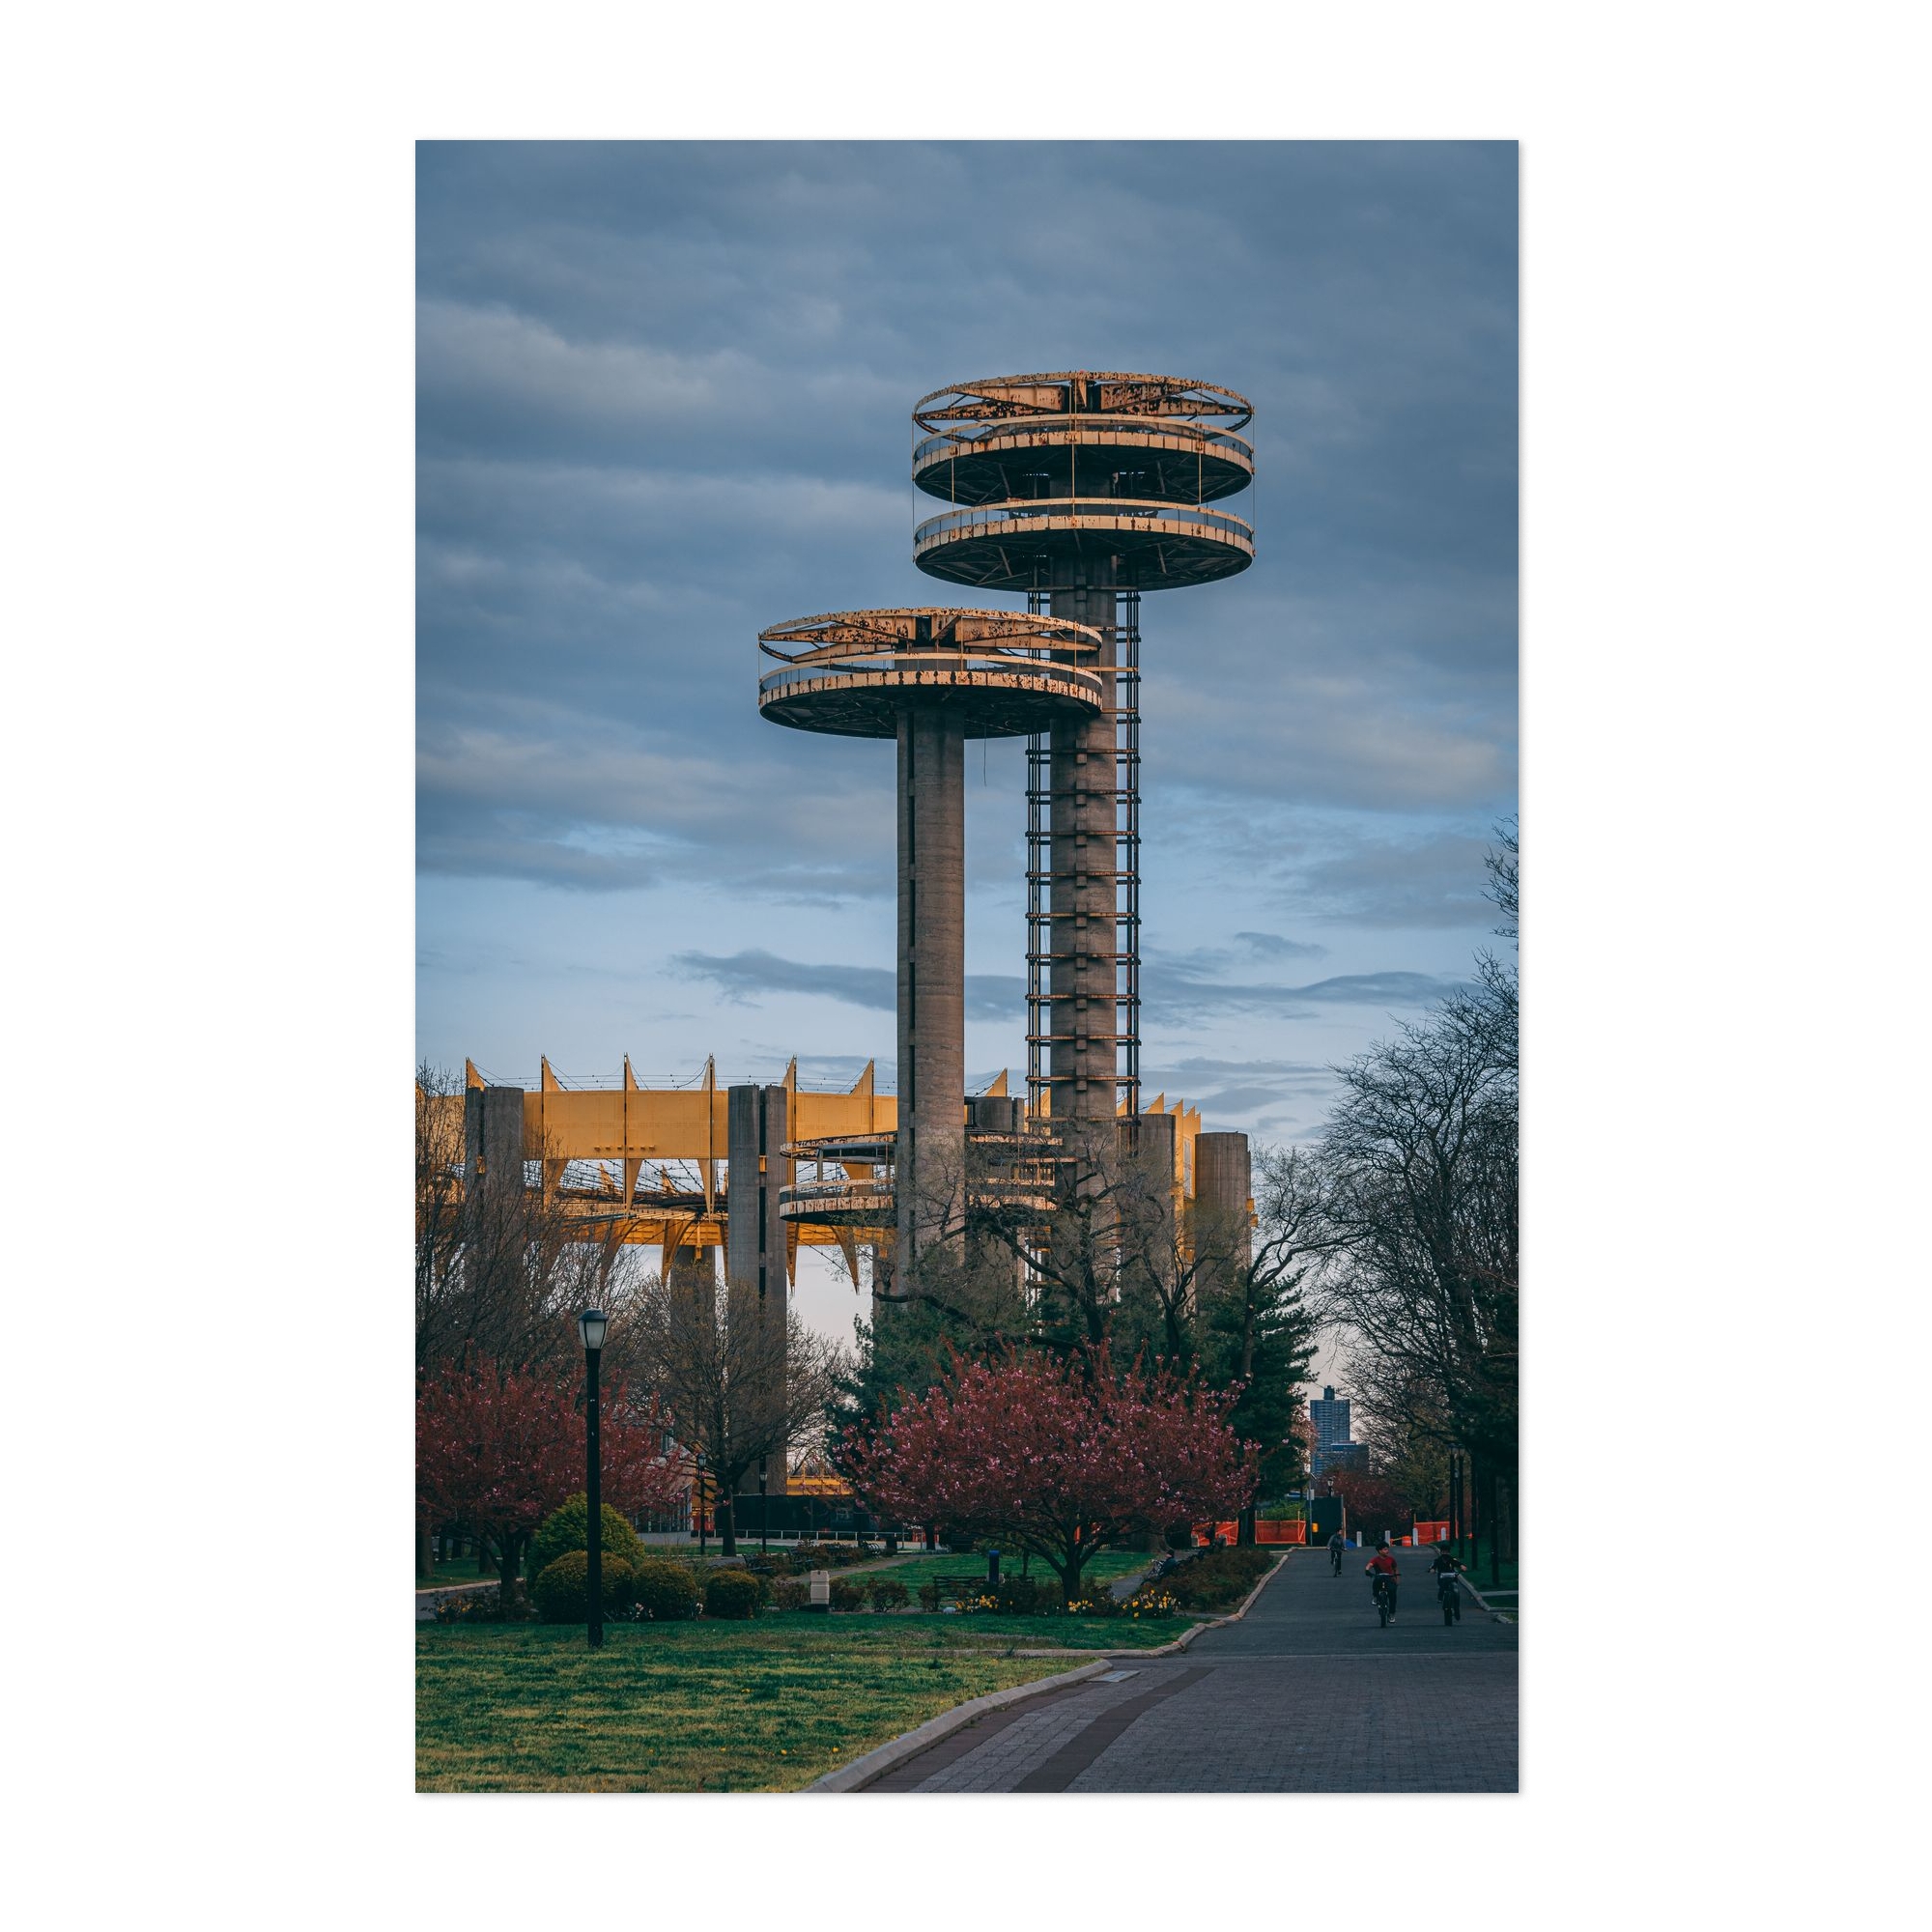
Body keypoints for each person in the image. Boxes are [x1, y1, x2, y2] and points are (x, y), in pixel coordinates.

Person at [1364, 1537, 1400, 1618]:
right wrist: (1367, 1570)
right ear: (1379, 1551)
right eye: (1384, 1549)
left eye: (1387, 1549)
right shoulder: (1375, 1559)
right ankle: (1376, 1597)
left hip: (1389, 1578)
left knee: (1393, 1596)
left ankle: (1391, 1614)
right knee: (1375, 1582)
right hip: (1380, 1577)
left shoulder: (1391, 1559)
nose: (1387, 1551)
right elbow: (1369, 1565)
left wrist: (1397, 1579)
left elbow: (1395, 1569)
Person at [1431, 1541, 1463, 1619]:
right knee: (1442, 1587)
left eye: (1447, 1552)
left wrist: (1462, 1566)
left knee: (1456, 1591)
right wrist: (1432, 1570)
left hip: (1452, 1578)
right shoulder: (1438, 1560)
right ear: (1441, 1552)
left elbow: (1458, 1563)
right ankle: (1440, 1597)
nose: (1445, 1553)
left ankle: (1456, 1608)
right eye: (1443, 1551)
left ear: (1449, 1552)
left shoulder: (1452, 1559)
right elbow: (1433, 1566)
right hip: (1442, 1578)